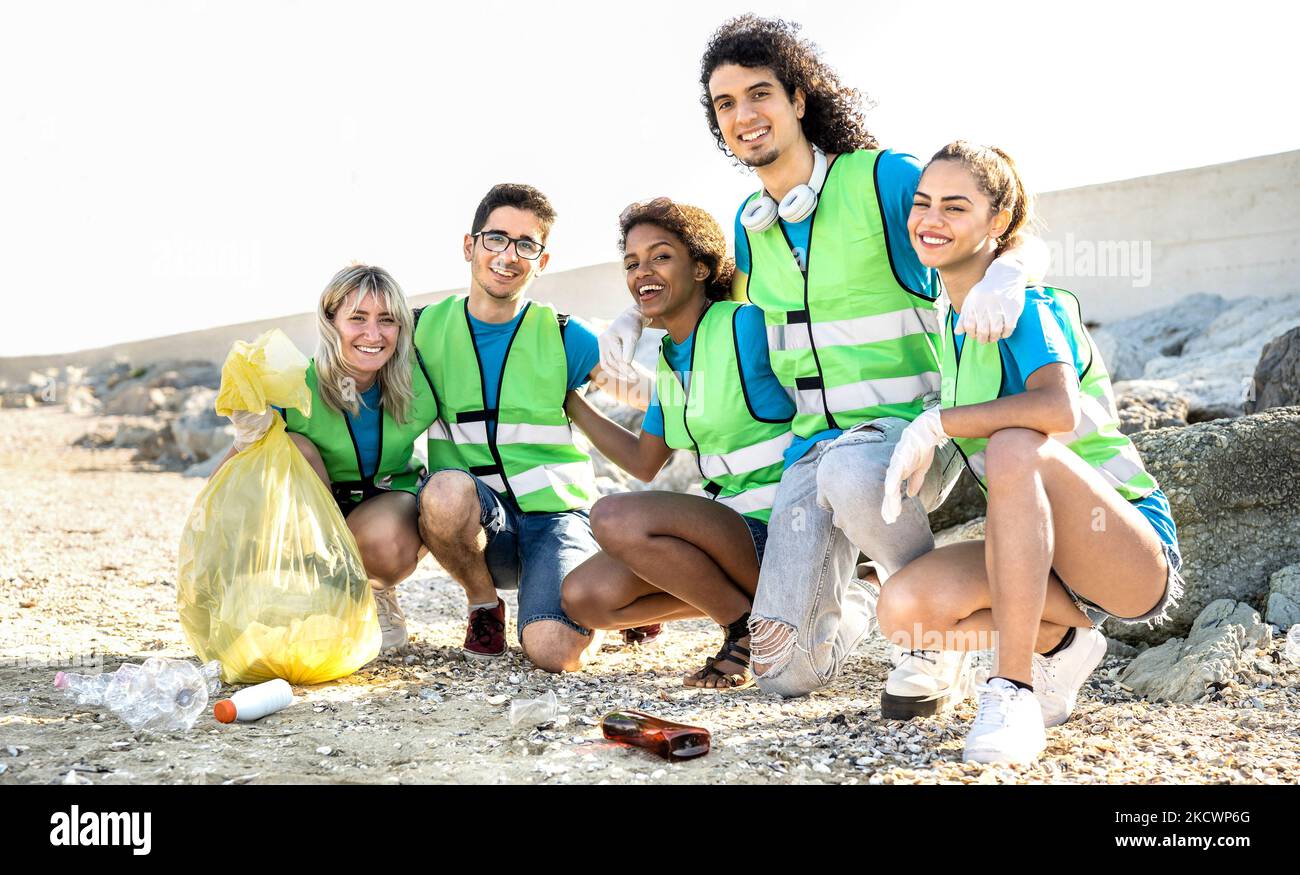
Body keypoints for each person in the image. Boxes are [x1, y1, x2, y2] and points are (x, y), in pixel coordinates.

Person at [600, 15, 1047, 701]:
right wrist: (634, 315)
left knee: (852, 465)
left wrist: (1010, 275)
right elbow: (712, 310)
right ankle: (866, 603)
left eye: (759, 94)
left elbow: (1000, 224)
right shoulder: (753, 229)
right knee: (784, 672)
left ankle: (938, 628)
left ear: (799, 99)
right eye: (726, 104)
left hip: (915, 437)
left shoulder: (883, 180)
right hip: (814, 456)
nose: (744, 115)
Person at [876, 141, 1182, 764]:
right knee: (904, 610)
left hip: (1125, 554)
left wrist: (937, 424)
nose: (931, 219)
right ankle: (1061, 646)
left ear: (996, 224)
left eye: (955, 206)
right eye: (922, 203)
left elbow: (1057, 411)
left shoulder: (1027, 305)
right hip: (1043, 571)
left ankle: (1010, 690)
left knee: (1017, 444)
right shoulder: (952, 313)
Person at [413, 184, 650, 673]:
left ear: (541, 261)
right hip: (480, 529)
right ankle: (484, 607)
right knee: (440, 493)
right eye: (496, 238)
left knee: (552, 652)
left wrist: (662, 329)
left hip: (555, 520)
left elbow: (643, 396)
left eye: (526, 244)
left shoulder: (564, 334)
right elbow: (351, 366)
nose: (508, 255)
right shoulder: (421, 330)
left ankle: (612, 589)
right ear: (469, 246)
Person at [561, 198, 795, 689]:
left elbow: (780, 292)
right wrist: (570, 404)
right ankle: (757, 610)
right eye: (631, 263)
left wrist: (638, 315)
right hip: (732, 527)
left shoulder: (745, 324)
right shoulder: (671, 358)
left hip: (786, 526)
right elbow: (644, 463)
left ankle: (746, 629)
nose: (642, 271)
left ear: (702, 267)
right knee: (586, 598)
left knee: (612, 516)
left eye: (661, 256)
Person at [216, 264, 441, 651]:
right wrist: (206, 526)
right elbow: (243, 465)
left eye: (387, 320)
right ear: (330, 320)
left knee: (383, 536)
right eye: (358, 318)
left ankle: (376, 593)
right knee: (293, 449)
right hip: (313, 521)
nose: (373, 334)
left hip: (386, 512)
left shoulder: (421, 380)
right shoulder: (293, 385)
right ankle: (318, 592)